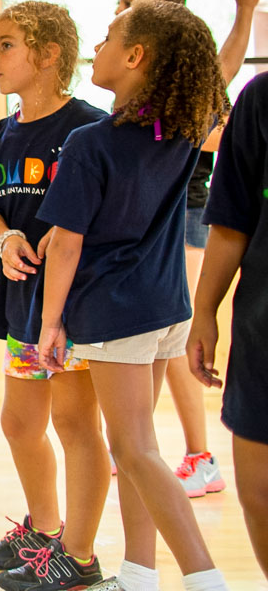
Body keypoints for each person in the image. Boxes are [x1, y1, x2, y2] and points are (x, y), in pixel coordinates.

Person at [38, 0, 230, 591]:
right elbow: (217, 77)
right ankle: (138, 574)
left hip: (117, 313)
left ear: (135, 56)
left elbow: (65, 247)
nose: (95, 48)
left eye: (106, 38)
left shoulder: (91, 143)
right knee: (136, 450)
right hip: (166, 306)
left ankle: (206, 579)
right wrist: (242, 13)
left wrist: (50, 324)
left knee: (137, 450)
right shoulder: (182, 130)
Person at [0, 2, 112, 591]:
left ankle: (79, 553)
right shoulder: (2, 133)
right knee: (19, 423)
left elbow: (114, 211)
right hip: (23, 304)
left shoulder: (91, 127)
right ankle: (45, 532)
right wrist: (5, 239)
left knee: (78, 425)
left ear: (49, 55)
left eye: (6, 45)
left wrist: (72, 229)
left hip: (75, 306)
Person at [115, 0, 261, 497]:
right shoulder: (141, 76)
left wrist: (244, 10)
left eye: (128, 1)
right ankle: (138, 443)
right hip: (154, 213)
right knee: (159, 336)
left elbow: (220, 89)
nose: (118, 10)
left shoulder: (188, 79)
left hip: (186, 211)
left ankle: (199, 455)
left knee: (173, 335)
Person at [187, 70, 268, 581]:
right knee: (259, 496)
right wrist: (204, 312)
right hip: (263, 329)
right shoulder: (259, 100)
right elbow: (232, 221)